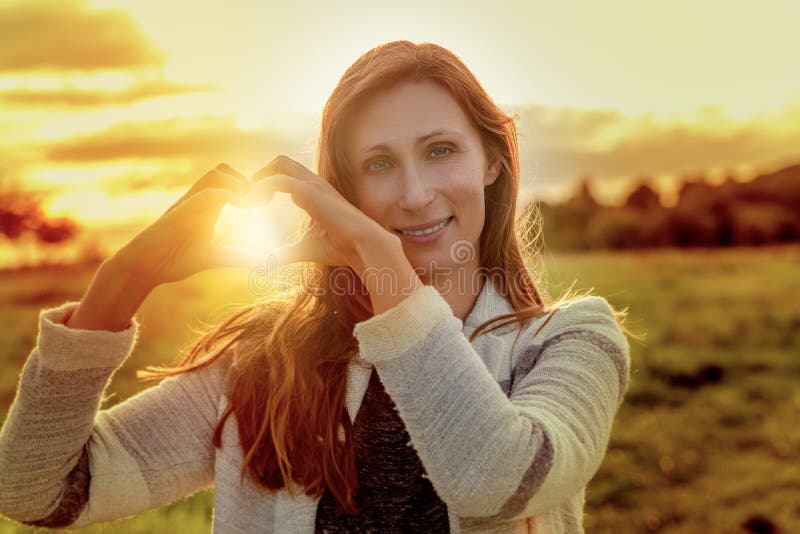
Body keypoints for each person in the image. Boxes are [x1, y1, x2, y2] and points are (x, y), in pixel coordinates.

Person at [0, 40, 634, 533]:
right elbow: (34, 490)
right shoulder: (264, 364)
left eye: (441, 150)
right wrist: (120, 286)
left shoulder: (574, 341)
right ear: (346, 193)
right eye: (379, 164)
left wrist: (382, 265)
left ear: (492, 161)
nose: (414, 195)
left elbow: (493, 479)